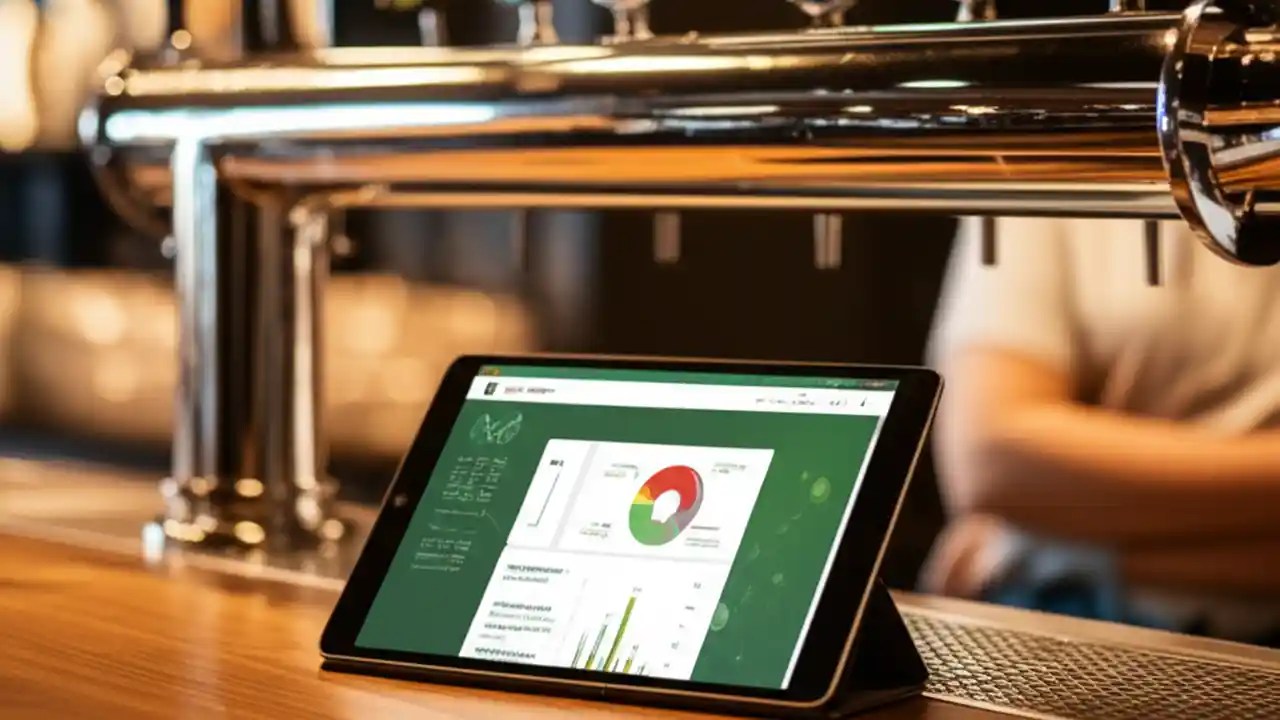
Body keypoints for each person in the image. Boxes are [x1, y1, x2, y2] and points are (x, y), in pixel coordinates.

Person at [922, 216, 1280, 646]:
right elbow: (990, 457)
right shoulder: (1041, 178)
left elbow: (1011, 467)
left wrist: (1046, 547)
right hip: (1067, 613)